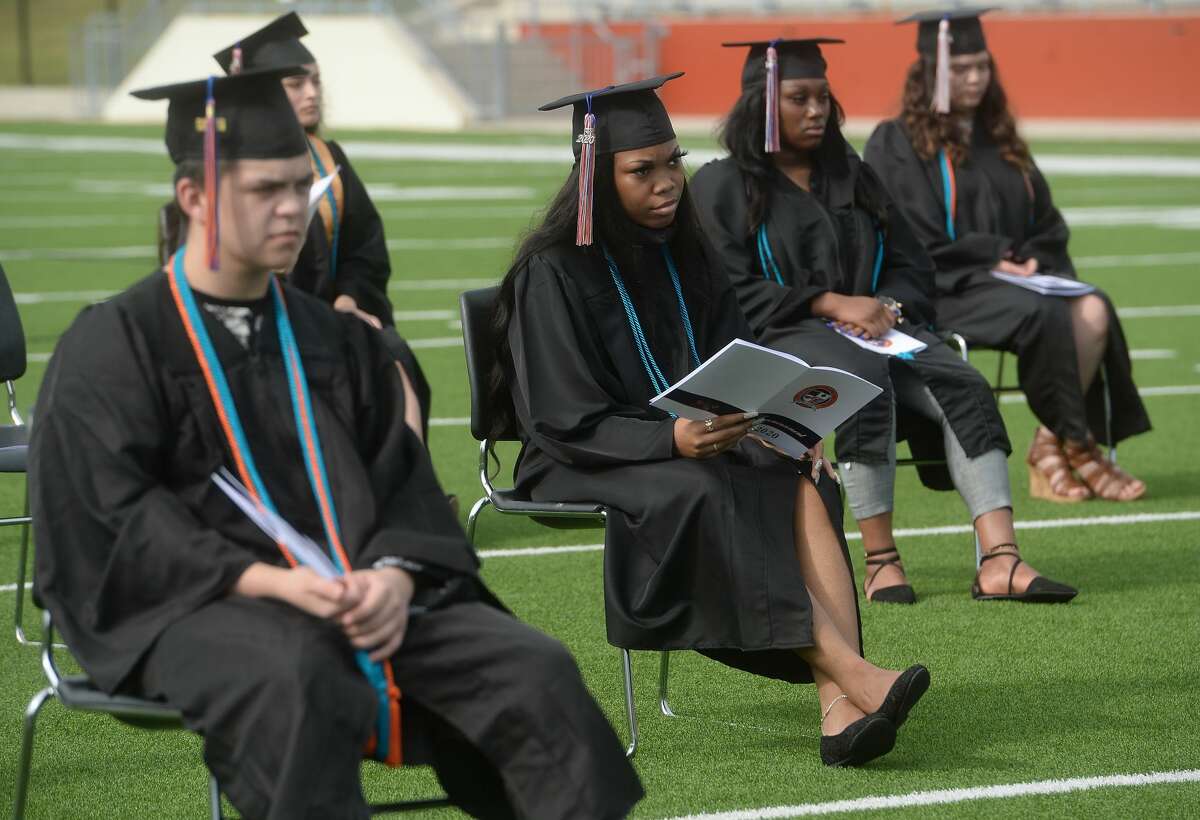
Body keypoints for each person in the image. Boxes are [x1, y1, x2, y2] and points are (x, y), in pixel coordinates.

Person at [30, 68, 642, 820]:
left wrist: (393, 576)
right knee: (296, 672)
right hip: (198, 604)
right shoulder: (114, 344)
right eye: (265, 191)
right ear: (193, 197)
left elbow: (400, 478)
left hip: (358, 589)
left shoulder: (330, 338)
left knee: (530, 669)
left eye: (300, 188)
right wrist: (276, 585)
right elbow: (116, 513)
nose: (294, 210)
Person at [490, 73, 932, 768]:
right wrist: (668, 436)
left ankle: (840, 709)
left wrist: (780, 427)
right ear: (596, 177)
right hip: (584, 454)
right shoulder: (551, 273)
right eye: (644, 170)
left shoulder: (686, 254)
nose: (667, 182)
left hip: (696, 440)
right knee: (699, 490)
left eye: (674, 163)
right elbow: (559, 413)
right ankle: (853, 675)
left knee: (802, 478)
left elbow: (735, 363)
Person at [690, 39, 1077, 606]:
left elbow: (910, 261)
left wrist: (887, 308)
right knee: (860, 381)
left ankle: (1000, 560)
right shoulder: (723, 185)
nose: (817, 110)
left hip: (878, 329)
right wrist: (830, 303)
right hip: (787, 334)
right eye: (799, 98)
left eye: (823, 97)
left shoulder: (852, 174)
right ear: (764, 104)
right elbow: (725, 287)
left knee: (963, 382)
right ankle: (880, 561)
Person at [864, 8, 1151, 503]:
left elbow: (1048, 223)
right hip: (944, 289)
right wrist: (995, 256)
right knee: (1040, 312)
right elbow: (911, 235)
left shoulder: (1001, 138)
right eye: (960, 68)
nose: (974, 78)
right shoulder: (897, 143)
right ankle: (1079, 444)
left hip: (1010, 284)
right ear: (930, 72)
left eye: (981, 66)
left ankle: (1050, 445)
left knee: (1093, 306)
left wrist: (1033, 257)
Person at [212, 12, 432, 442]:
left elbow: (364, 247)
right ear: (259, 92)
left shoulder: (327, 157)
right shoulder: (224, 165)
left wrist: (350, 300)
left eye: (316, 81)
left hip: (331, 318)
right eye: (296, 84)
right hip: (256, 328)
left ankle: (408, 491)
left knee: (391, 350)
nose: (312, 94)